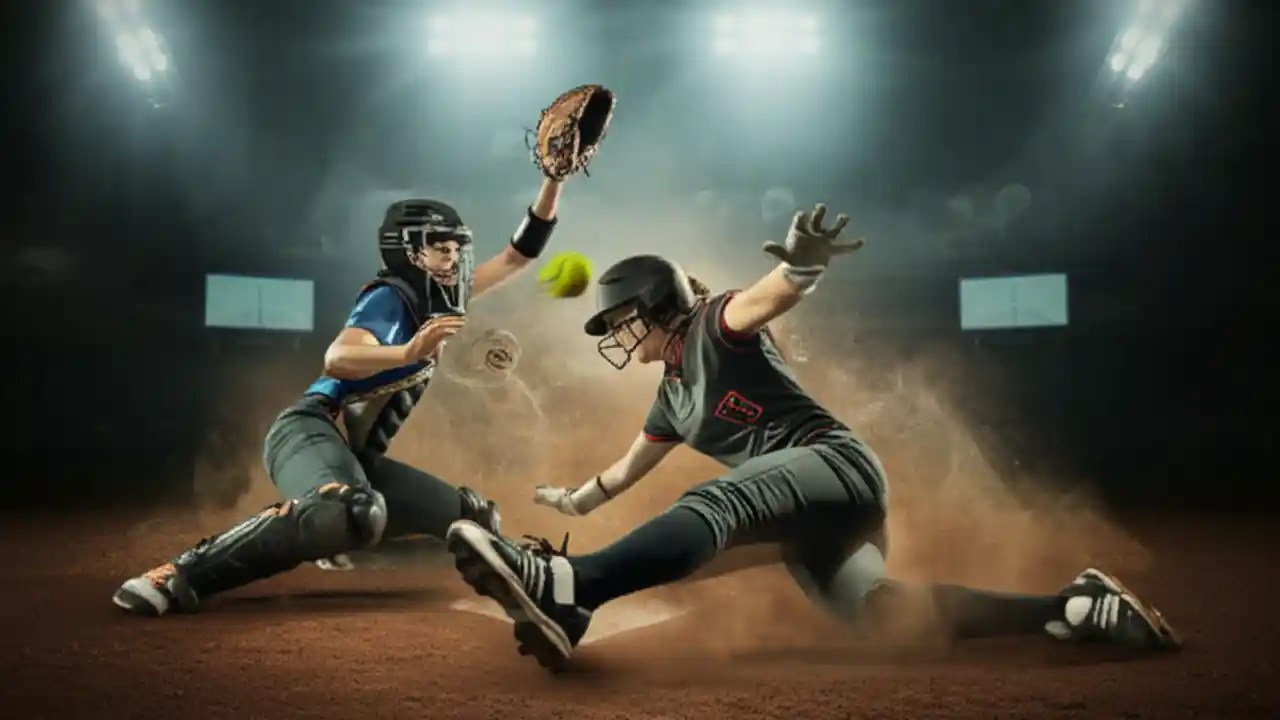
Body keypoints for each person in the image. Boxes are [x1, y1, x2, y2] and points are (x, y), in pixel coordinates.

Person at [443, 203, 1183, 670]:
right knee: (885, 617)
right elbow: (623, 471)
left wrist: (801, 267)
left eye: (622, 316)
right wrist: (570, 502)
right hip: (815, 522)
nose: (618, 332)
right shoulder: (670, 395)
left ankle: (574, 591)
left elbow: (767, 298)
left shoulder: (713, 324)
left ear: (657, 304)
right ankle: (1073, 606)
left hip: (836, 468)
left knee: (719, 501)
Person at [112, 179, 568, 616]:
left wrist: (553, 181)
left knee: (475, 522)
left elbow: (517, 256)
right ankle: (177, 574)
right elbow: (339, 358)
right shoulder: (392, 299)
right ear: (408, 251)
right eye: (440, 250)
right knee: (348, 510)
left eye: (455, 250)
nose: (452, 260)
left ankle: (351, 546)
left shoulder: (442, 301)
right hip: (308, 429)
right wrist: (410, 350)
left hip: (352, 458)